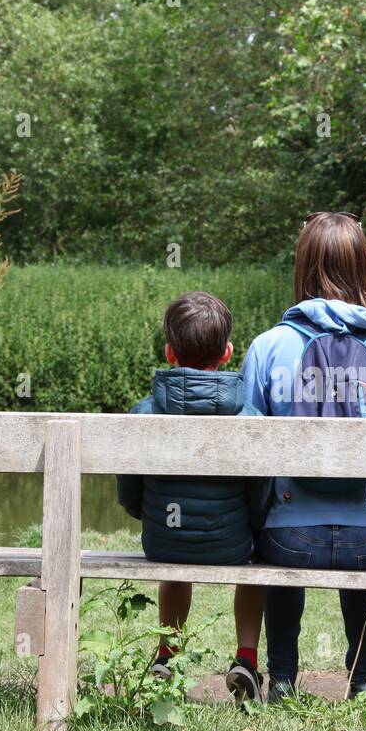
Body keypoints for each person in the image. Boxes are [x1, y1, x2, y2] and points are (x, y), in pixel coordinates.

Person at [240, 212, 366, 702]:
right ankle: (363, 683)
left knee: (277, 529)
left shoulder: (267, 347)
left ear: (301, 266)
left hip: (288, 539)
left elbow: (246, 457)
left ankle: (280, 681)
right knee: (364, 533)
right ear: (363, 268)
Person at [116, 291, 272, 704]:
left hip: (163, 541)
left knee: (175, 560)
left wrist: (153, 516)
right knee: (256, 557)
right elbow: (260, 498)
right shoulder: (250, 420)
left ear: (169, 352)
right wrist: (247, 524)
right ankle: (246, 658)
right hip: (232, 544)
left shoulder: (144, 414)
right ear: (227, 352)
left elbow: (129, 495)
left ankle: (168, 652)